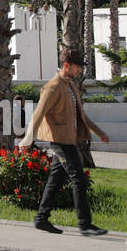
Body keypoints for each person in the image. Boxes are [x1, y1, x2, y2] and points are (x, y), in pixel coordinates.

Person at [18, 47, 110, 236]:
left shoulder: (70, 85)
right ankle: (85, 224)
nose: (80, 71)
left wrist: (99, 132)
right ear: (66, 65)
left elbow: (81, 115)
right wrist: (27, 139)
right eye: (77, 67)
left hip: (70, 139)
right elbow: (38, 114)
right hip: (60, 141)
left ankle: (41, 219)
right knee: (79, 180)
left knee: (56, 179)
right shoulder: (53, 87)